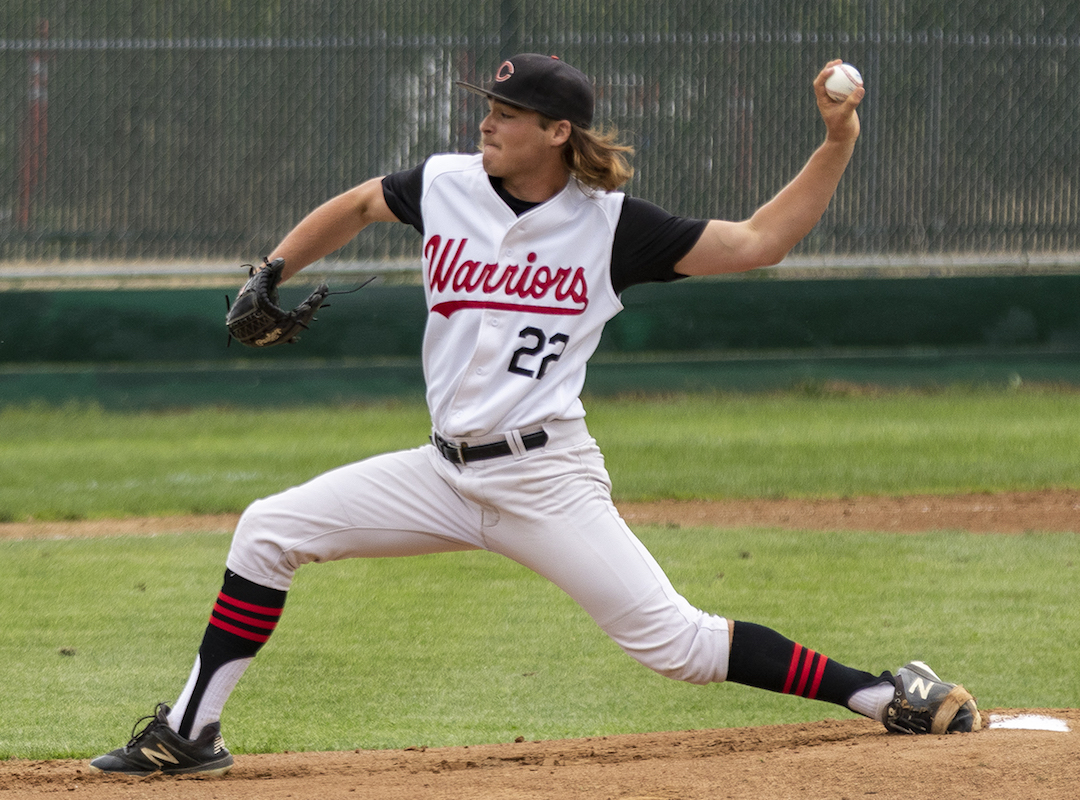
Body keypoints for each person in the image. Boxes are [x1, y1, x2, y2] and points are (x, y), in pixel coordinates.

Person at [90, 53, 980, 777]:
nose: (489, 121)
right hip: (440, 471)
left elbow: (760, 242)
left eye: (510, 111)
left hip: (545, 475)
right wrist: (271, 270)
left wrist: (838, 140)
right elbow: (363, 201)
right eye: (490, 105)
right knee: (269, 530)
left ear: (558, 132)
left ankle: (881, 692)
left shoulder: (612, 226)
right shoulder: (444, 184)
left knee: (674, 645)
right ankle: (189, 733)